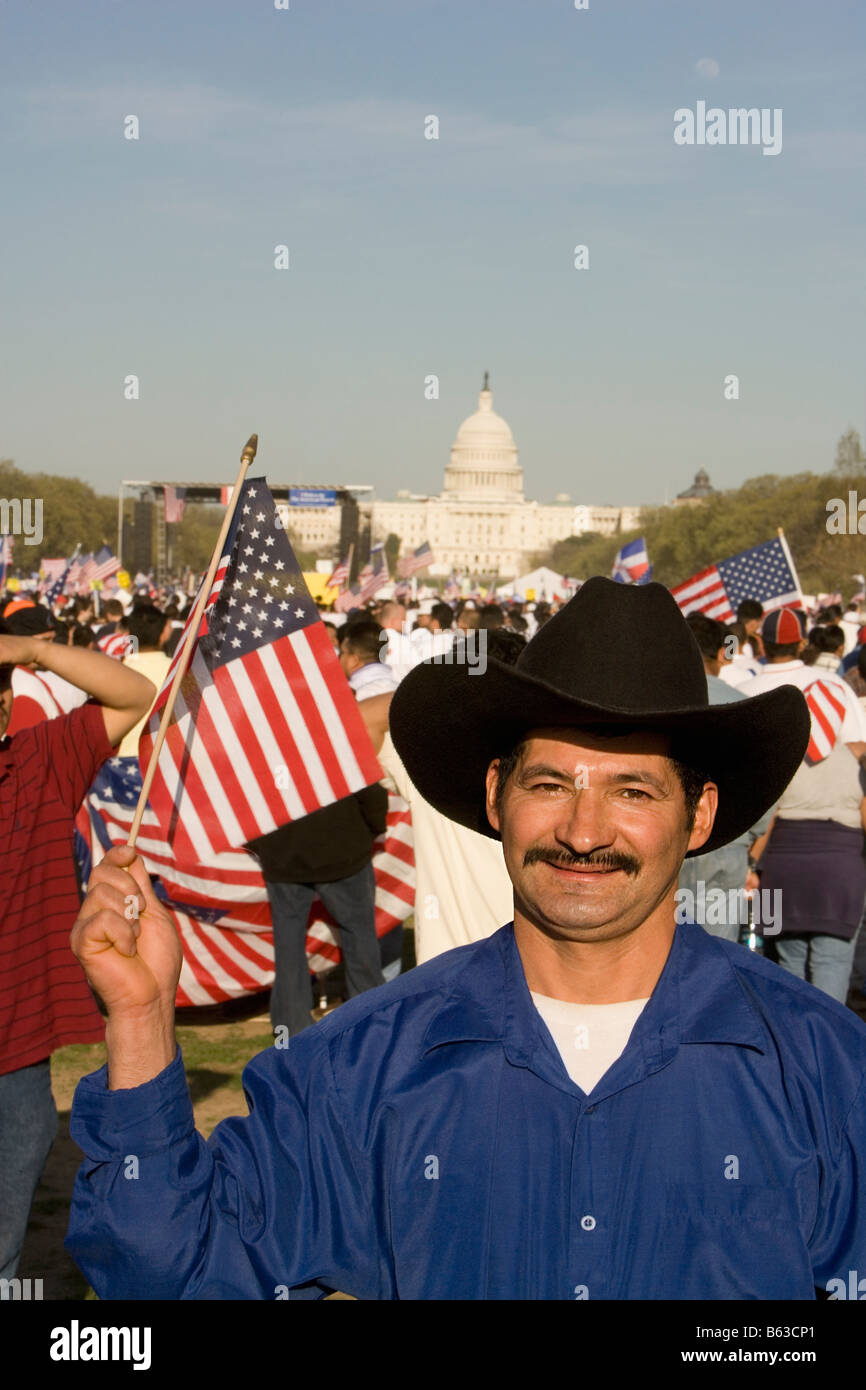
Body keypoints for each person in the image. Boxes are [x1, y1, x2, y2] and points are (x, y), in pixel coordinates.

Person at [66, 578, 866, 1299]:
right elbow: (172, 1274)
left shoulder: (825, 1071)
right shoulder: (363, 1065)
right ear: (495, 797)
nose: (584, 832)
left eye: (632, 790)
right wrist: (139, 1023)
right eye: (550, 784)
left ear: (698, 818)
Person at [0, 620, 155, 1280]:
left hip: (15, 1054)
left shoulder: (37, 761)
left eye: (1, 689)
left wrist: (35, 650)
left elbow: (134, 695)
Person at [740, 607, 866, 1002]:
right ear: (803, 643)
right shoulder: (836, 688)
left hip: (774, 862)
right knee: (830, 976)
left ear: (762, 641)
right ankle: (830, 1058)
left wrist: (749, 862)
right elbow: (859, 757)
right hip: (841, 869)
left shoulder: (744, 692)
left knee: (786, 974)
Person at [677, 614, 774, 942]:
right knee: (716, 955)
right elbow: (765, 785)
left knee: (661, 955)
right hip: (729, 841)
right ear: (722, 652)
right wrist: (751, 843)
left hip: (668, 838)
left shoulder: (658, 700)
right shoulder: (743, 706)